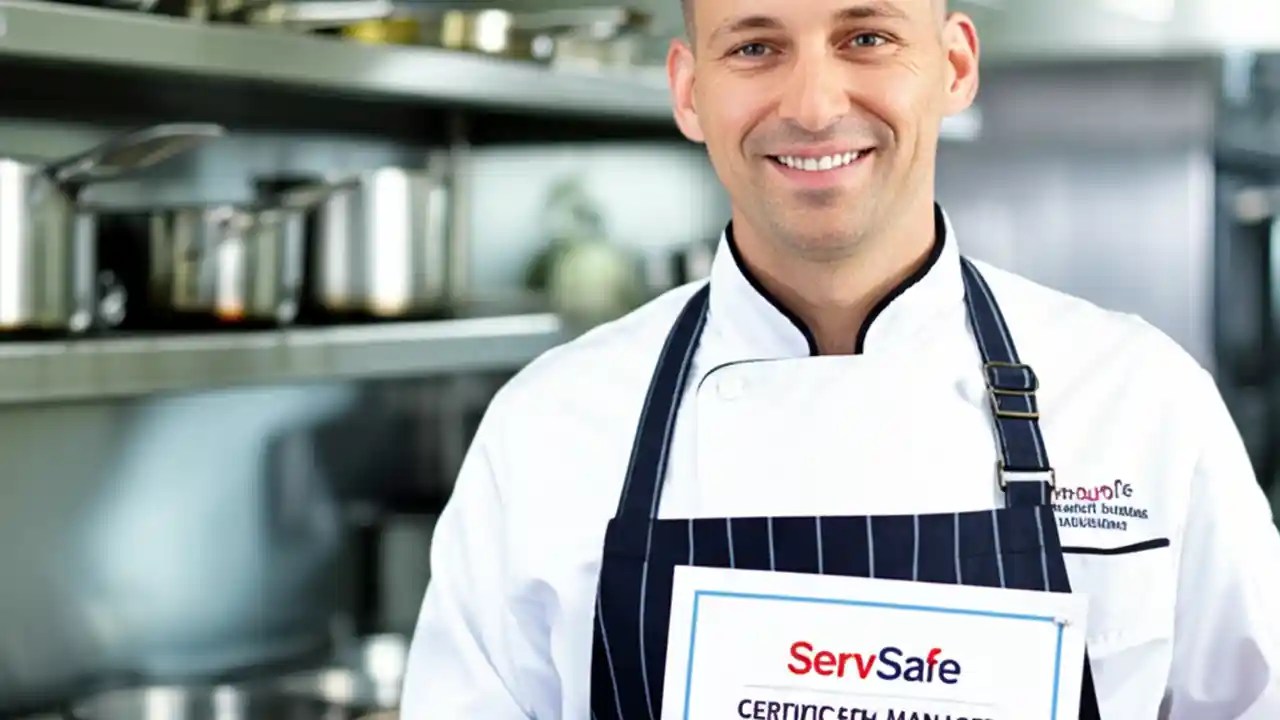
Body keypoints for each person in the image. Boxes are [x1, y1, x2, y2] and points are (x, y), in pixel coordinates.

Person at [400, 0, 1280, 717]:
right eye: (754, 46)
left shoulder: (1141, 400)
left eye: (866, 37)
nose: (814, 105)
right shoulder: (549, 428)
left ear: (955, 65)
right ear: (689, 90)